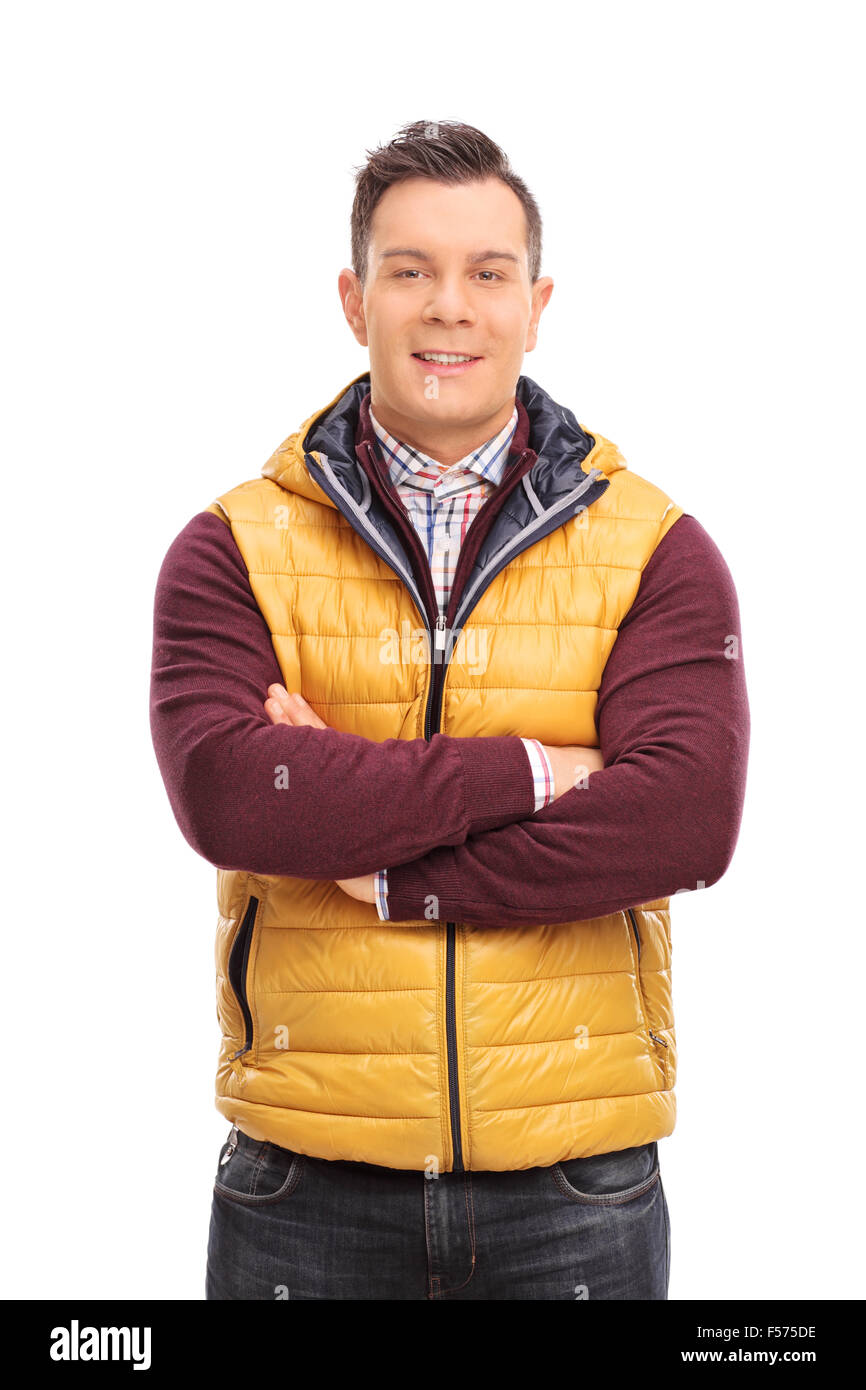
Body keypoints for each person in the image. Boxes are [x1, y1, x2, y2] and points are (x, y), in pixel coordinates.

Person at [149, 119, 750, 1301]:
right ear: (351, 297)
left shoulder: (658, 549)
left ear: (535, 304)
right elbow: (232, 794)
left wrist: (382, 866)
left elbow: (680, 823)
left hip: (576, 1188)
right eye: (408, 269)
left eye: (485, 273)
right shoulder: (228, 548)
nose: (447, 307)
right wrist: (538, 771)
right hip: (302, 1187)